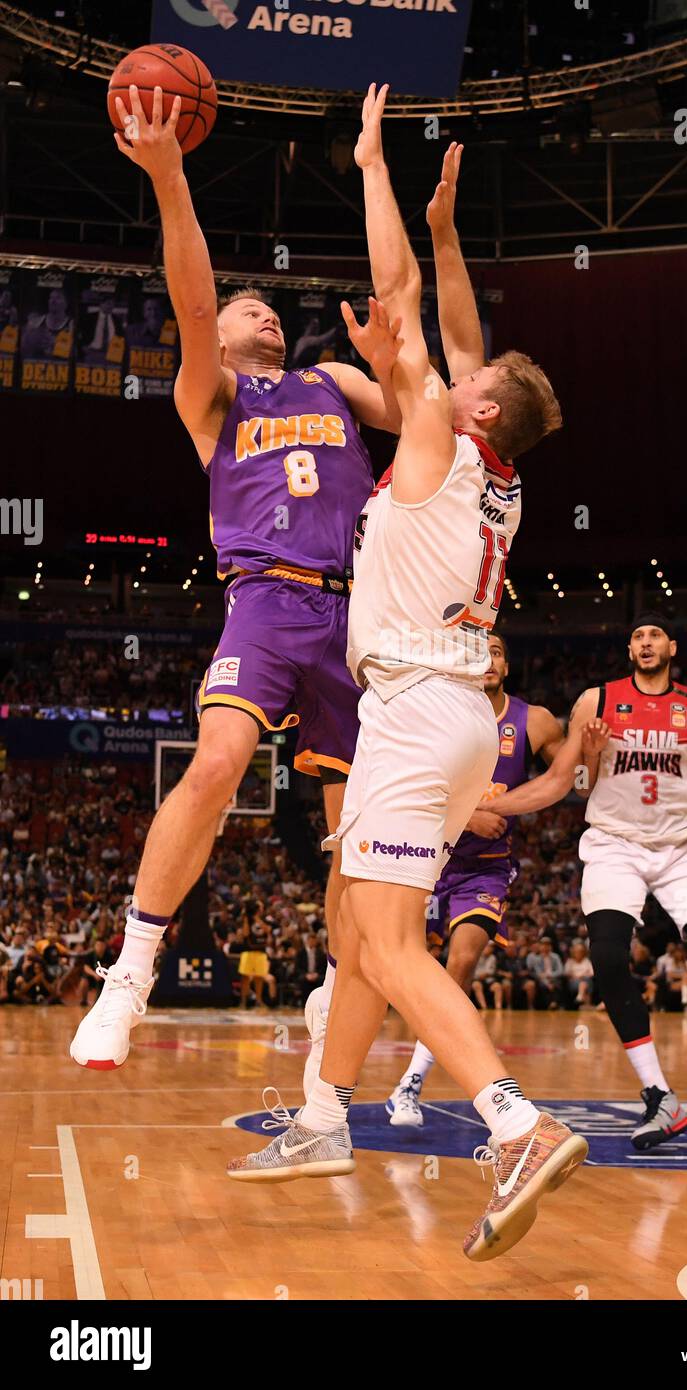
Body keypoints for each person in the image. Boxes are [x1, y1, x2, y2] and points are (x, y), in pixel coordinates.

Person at [227, 84, 585, 1265]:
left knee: (385, 944)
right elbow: (458, 333)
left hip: (414, 706)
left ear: (474, 405)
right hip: (456, 720)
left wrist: (375, 168)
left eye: (463, 376)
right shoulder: (499, 471)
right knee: (357, 922)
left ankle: (513, 1120)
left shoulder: (435, 422)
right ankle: (325, 1117)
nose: (448, 372)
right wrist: (443, 231)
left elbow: (401, 308)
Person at [69, 82, 401, 1070]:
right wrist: (171, 181)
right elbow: (193, 294)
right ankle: (130, 974)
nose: (255, 309)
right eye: (241, 306)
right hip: (263, 596)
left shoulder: (332, 382)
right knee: (216, 763)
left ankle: (340, 984)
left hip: (356, 615)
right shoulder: (208, 395)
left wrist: (398, 354)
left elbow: (425, 420)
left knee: (355, 835)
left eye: (266, 303)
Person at [488, 612, 687, 1152]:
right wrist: (581, 761)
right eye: (636, 636)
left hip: (681, 850)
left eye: (654, 636)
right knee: (610, 958)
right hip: (615, 845)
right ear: (629, 651)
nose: (645, 643)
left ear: (671, 647)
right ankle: (659, 1097)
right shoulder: (595, 702)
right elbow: (566, 782)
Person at [385, 626, 563, 1127]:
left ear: (507, 667)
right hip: (422, 856)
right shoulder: (438, 714)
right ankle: (332, 1081)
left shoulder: (536, 721)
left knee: (459, 965)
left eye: (498, 652)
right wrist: (464, 817)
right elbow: (407, 785)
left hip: (483, 870)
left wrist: (592, 749)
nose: (487, 659)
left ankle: (410, 1084)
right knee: (383, 965)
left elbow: (569, 776)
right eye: (478, 652)